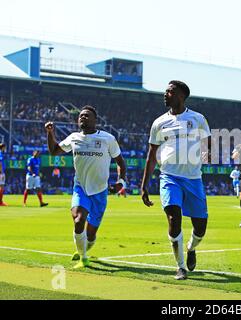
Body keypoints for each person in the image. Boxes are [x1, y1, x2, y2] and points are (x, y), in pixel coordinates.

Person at [141, 80, 211, 280]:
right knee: (173, 217)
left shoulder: (198, 119)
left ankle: (191, 247)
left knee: (200, 227)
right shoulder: (159, 122)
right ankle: (180, 266)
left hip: (193, 179)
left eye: (170, 92)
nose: (165, 95)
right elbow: (151, 154)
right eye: (166, 91)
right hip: (169, 177)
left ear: (181, 95)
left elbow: (208, 145)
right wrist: (144, 185)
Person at [45, 105, 127, 268]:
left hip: (100, 192)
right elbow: (54, 151)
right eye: (81, 115)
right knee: (78, 220)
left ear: (95, 120)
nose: (83, 117)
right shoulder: (73, 137)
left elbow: (120, 162)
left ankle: (84, 249)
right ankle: (83, 258)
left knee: (90, 235)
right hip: (80, 188)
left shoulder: (107, 138)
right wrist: (50, 133)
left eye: (87, 115)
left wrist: (121, 182)